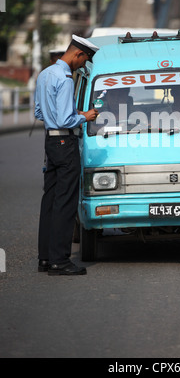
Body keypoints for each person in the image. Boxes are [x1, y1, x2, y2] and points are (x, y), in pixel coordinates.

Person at [34, 35, 99, 276]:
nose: (82, 66)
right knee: (65, 201)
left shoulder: (45, 74)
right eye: (83, 61)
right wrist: (84, 116)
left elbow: (40, 112)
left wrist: (70, 113)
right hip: (65, 141)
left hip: (50, 140)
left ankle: (45, 258)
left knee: (50, 200)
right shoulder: (64, 78)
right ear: (77, 55)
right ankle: (60, 261)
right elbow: (65, 119)